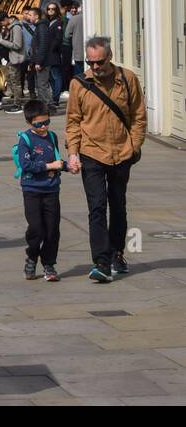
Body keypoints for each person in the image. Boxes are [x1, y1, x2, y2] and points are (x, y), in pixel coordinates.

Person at [66, 36, 147, 283]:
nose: (95, 67)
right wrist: (72, 152)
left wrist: (134, 146)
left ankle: (117, 253)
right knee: (97, 207)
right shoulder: (79, 84)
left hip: (121, 152)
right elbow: (73, 121)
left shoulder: (128, 79)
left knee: (118, 206)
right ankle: (101, 262)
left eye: (99, 62)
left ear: (109, 57)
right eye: (91, 63)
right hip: (92, 153)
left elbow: (139, 116)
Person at [12, 99, 67, 282]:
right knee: (36, 229)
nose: (43, 127)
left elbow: (57, 160)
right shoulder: (25, 139)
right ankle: (32, 256)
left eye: (46, 122)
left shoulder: (52, 137)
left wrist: (68, 166)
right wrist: (50, 165)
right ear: (29, 123)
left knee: (52, 230)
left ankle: (49, 264)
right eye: (39, 124)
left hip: (51, 189)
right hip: (32, 190)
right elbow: (26, 164)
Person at [0, 11, 33, 113]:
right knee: (12, 80)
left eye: (1, 23)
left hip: (15, 59)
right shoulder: (11, 27)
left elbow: (17, 45)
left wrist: (2, 41)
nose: (2, 25)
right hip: (12, 58)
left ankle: (18, 104)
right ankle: (16, 103)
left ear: (5, 19)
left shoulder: (16, 27)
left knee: (16, 82)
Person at [32, 2, 64, 112]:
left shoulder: (58, 22)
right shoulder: (46, 23)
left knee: (53, 78)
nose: (50, 10)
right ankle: (48, 103)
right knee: (46, 82)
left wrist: (41, 59)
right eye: (48, 8)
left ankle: (53, 101)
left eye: (53, 9)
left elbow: (55, 40)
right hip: (45, 55)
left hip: (51, 55)